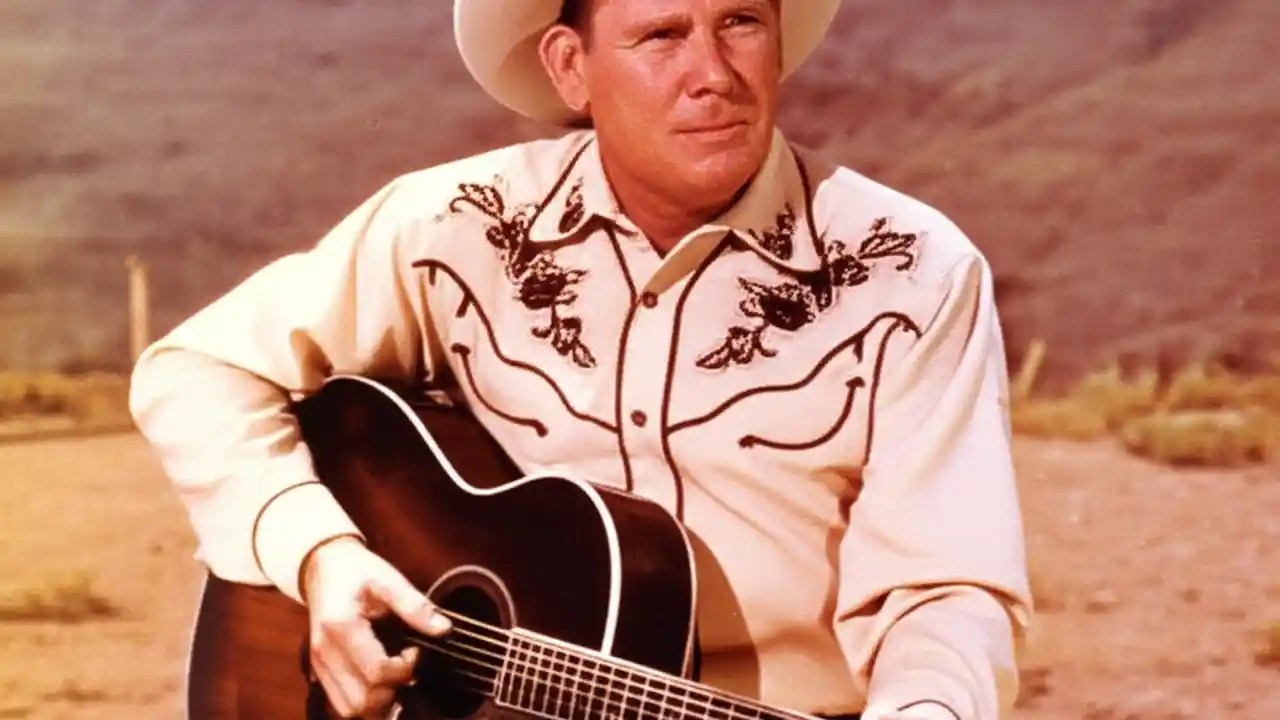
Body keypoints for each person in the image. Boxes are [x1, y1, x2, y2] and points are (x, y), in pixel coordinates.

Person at [130, 0, 1034, 718]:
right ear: (571, 67)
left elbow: (947, 587)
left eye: (742, 24)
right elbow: (196, 371)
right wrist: (319, 556)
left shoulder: (911, 270)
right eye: (662, 35)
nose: (713, 75)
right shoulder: (454, 225)